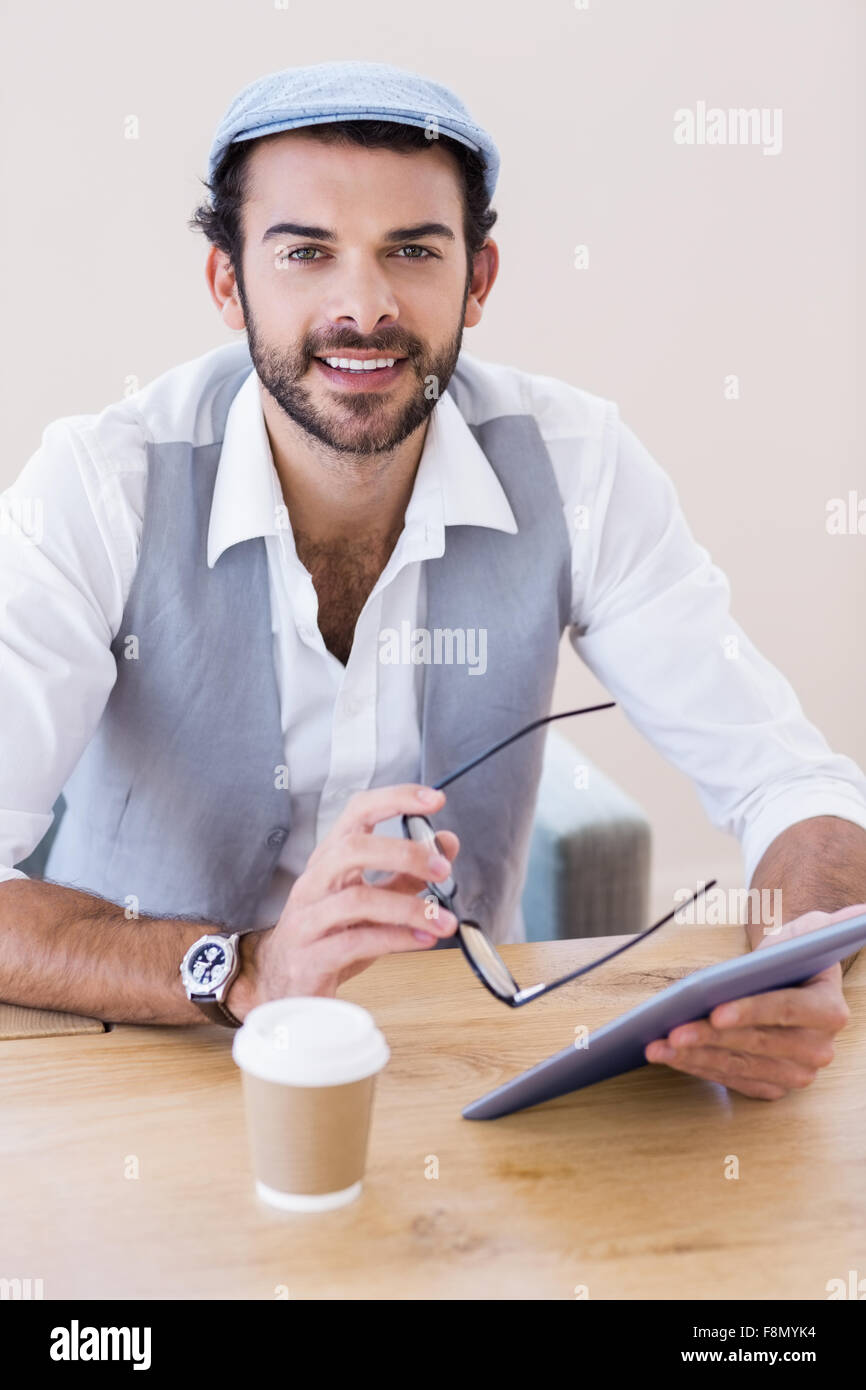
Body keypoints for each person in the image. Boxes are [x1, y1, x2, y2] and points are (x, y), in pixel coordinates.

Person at [1, 60, 865, 1103]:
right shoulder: (101, 486)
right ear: (227, 283)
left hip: (453, 1073)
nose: (361, 306)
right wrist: (248, 965)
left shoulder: (576, 464)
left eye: (411, 251)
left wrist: (800, 966)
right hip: (133, 1057)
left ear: (478, 279)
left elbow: (794, 786)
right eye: (305, 253)